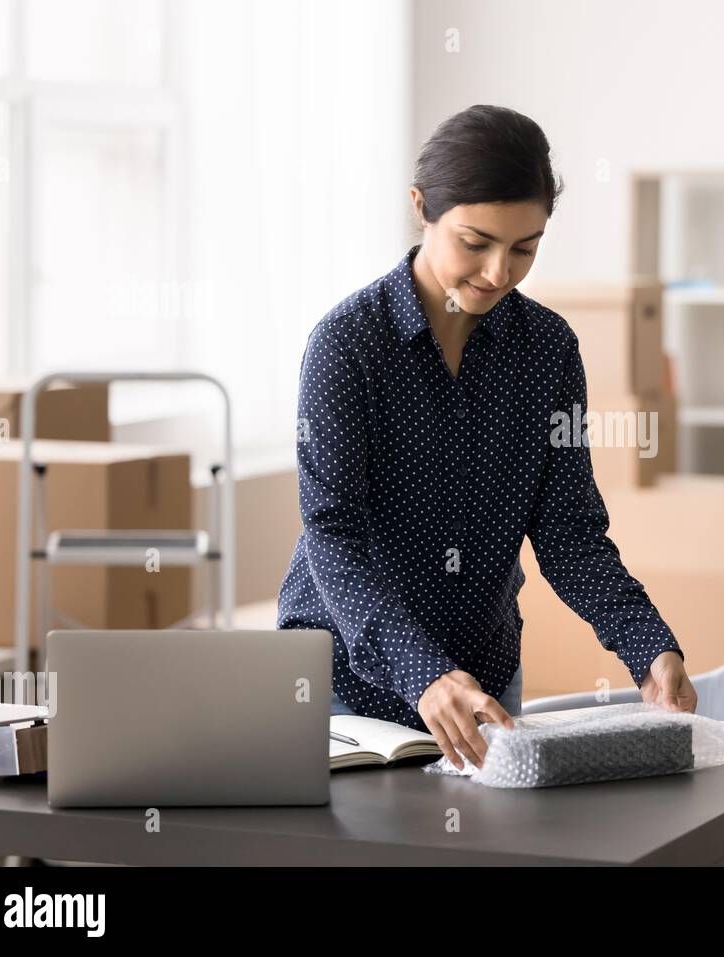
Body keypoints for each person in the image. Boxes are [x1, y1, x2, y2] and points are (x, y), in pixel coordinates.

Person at [277, 104, 697, 774]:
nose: (499, 272)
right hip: (342, 689)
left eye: (524, 248)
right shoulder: (346, 346)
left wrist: (648, 644)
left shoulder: (548, 352)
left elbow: (567, 529)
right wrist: (423, 673)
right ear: (421, 207)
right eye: (476, 242)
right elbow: (332, 532)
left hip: (484, 684)